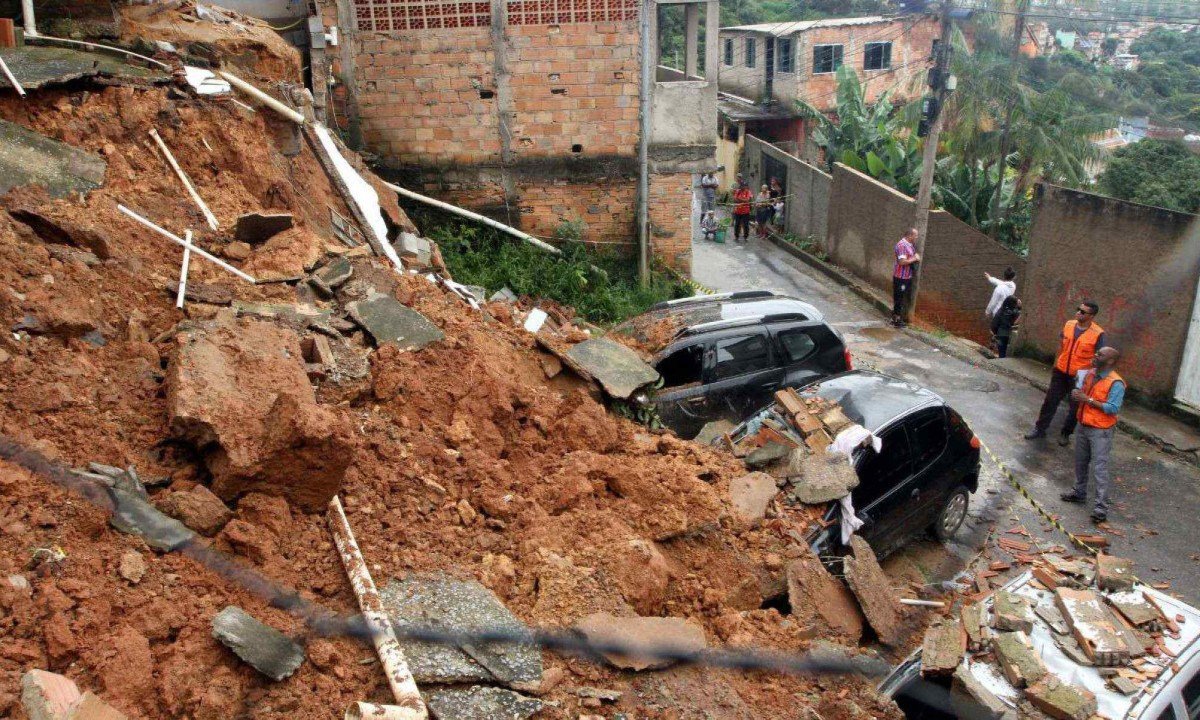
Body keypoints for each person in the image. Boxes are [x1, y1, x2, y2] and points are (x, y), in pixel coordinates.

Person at [1025, 301, 1105, 444]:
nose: (1078, 312)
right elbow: (1061, 345)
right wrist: (1057, 364)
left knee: (1074, 407)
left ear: (1091, 316)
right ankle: (1040, 429)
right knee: (1050, 401)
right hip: (1061, 372)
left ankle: (1066, 434)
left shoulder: (1098, 334)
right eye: (1078, 309)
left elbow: (1100, 357)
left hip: (1080, 377)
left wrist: (1091, 376)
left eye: (1083, 312)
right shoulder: (1069, 324)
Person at [1060, 346, 1125, 523]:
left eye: (1100, 354)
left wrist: (1087, 399)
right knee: (1080, 461)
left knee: (1099, 468)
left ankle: (1100, 508)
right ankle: (1079, 492)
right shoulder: (1090, 373)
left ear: (1110, 361)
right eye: (1097, 353)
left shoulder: (1116, 383)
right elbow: (1083, 393)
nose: (1095, 355)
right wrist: (1077, 393)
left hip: (1101, 430)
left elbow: (1113, 408)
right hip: (1083, 424)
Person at [891, 228, 920, 327]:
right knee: (899, 298)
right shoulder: (902, 245)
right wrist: (914, 258)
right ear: (910, 235)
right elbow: (902, 262)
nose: (917, 237)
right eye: (915, 235)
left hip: (907, 276)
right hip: (901, 277)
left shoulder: (910, 245)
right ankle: (896, 320)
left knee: (902, 297)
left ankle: (898, 317)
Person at [732, 178, 753, 243]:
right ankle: (736, 236)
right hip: (738, 211)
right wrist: (743, 200)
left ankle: (746, 236)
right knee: (737, 224)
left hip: (746, 211)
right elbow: (734, 200)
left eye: (744, 186)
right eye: (742, 186)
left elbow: (748, 200)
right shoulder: (737, 191)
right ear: (740, 186)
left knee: (746, 224)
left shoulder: (748, 192)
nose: (743, 187)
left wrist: (739, 199)